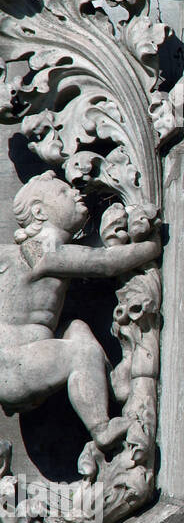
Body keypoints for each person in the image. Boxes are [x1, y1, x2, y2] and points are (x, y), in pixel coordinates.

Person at [0, 173, 158, 450]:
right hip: (14, 368)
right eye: (63, 193)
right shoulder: (39, 252)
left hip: (28, 358)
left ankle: (112, 386)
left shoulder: (37, 253)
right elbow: (104, 263)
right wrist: (151, 247)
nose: (75, 193)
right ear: (39, 211)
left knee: (76, 328)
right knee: (79, 352)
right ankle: (102, 428)